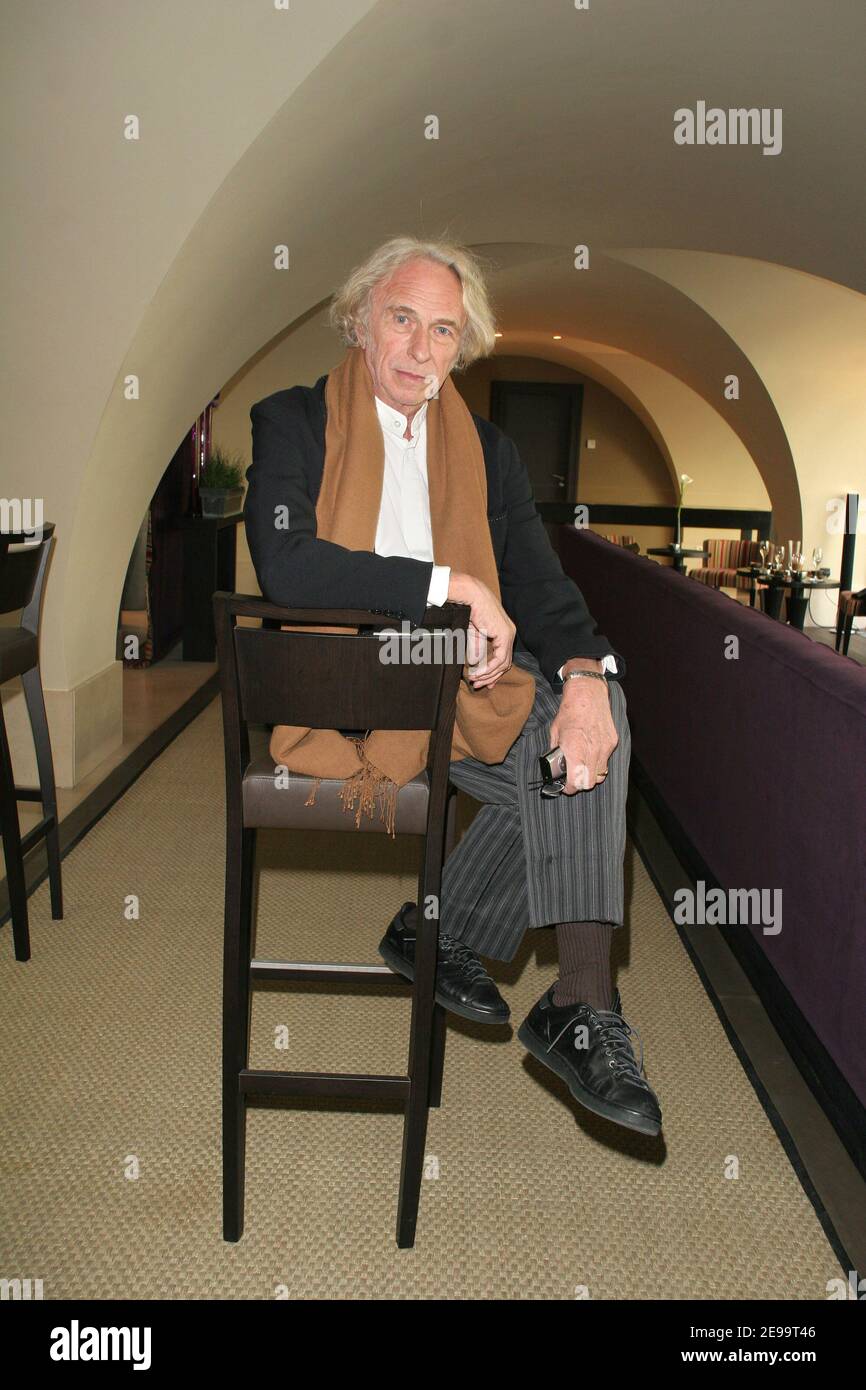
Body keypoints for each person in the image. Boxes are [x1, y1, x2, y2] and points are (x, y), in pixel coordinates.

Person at [244, 235, 661, 1136]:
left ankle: (581, 1003)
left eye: (442, 330)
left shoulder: (488, 452)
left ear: (459, 346)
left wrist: (585, 673)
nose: (419, 348)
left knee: (591, 722)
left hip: (459, 690)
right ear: (360, 319)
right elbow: (286, 563)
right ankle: (444, 933)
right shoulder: (292, 419)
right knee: (555, 779)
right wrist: (448, 587)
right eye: (402, 318)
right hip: (344, 688)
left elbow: (541, 589)